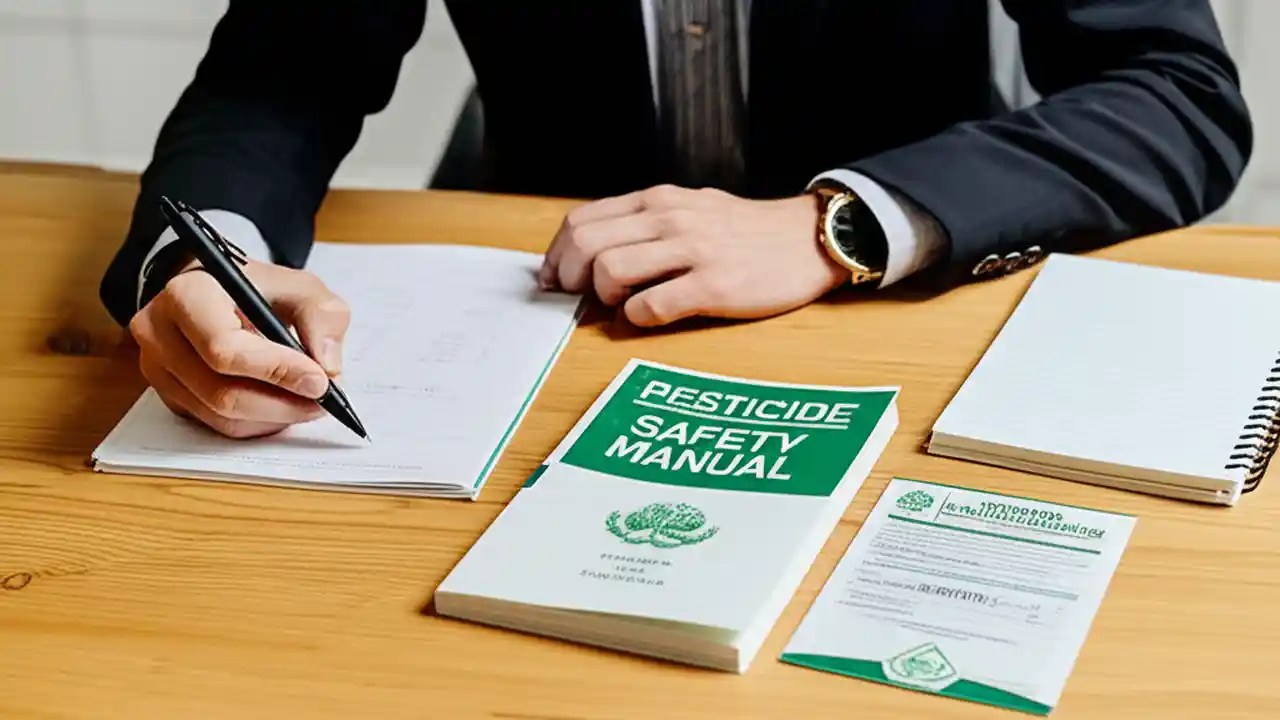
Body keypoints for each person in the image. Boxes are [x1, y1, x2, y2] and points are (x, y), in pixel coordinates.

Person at [100, 1, 1252, 439]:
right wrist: (204, 258)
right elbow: (283, 69)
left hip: (910, 277)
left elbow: (1172, 91)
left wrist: (831, 226)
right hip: (548, 293)